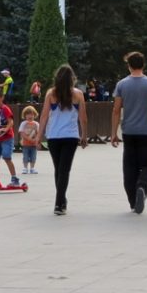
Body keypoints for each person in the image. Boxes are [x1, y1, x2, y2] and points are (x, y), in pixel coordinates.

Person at [111, 51, 147, 215]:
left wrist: (113, 132)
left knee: (129, 167)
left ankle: (133, 200)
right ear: (143, 65)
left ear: (129, 65)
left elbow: (116, 110)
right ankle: (142, 185)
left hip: (129, 132)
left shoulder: (121, 85)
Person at [38, 64, 87, 215]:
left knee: (58, 169)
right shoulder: (78, 95)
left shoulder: (51, 94)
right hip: (71, 137)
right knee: (64, 170)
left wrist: (39, 137)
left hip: (53, 136)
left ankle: (60, 200)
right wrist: (84, 135)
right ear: (72, 78)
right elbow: (83, 118)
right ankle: (60, 202)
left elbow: (44, 116)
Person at [18, 105, 40, 176]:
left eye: (32, 114)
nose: (30, 116)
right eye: (28, 114)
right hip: (25, 144)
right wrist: (29, 139)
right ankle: (25, 168)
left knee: (33, 156)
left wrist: (37, 141)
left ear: (34, 115)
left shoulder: (36, 124)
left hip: (33, 144)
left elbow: (38, 133)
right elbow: (22, 133)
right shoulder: (23, 123)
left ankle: (32, 168)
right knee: (25, 156)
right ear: (24, 115)